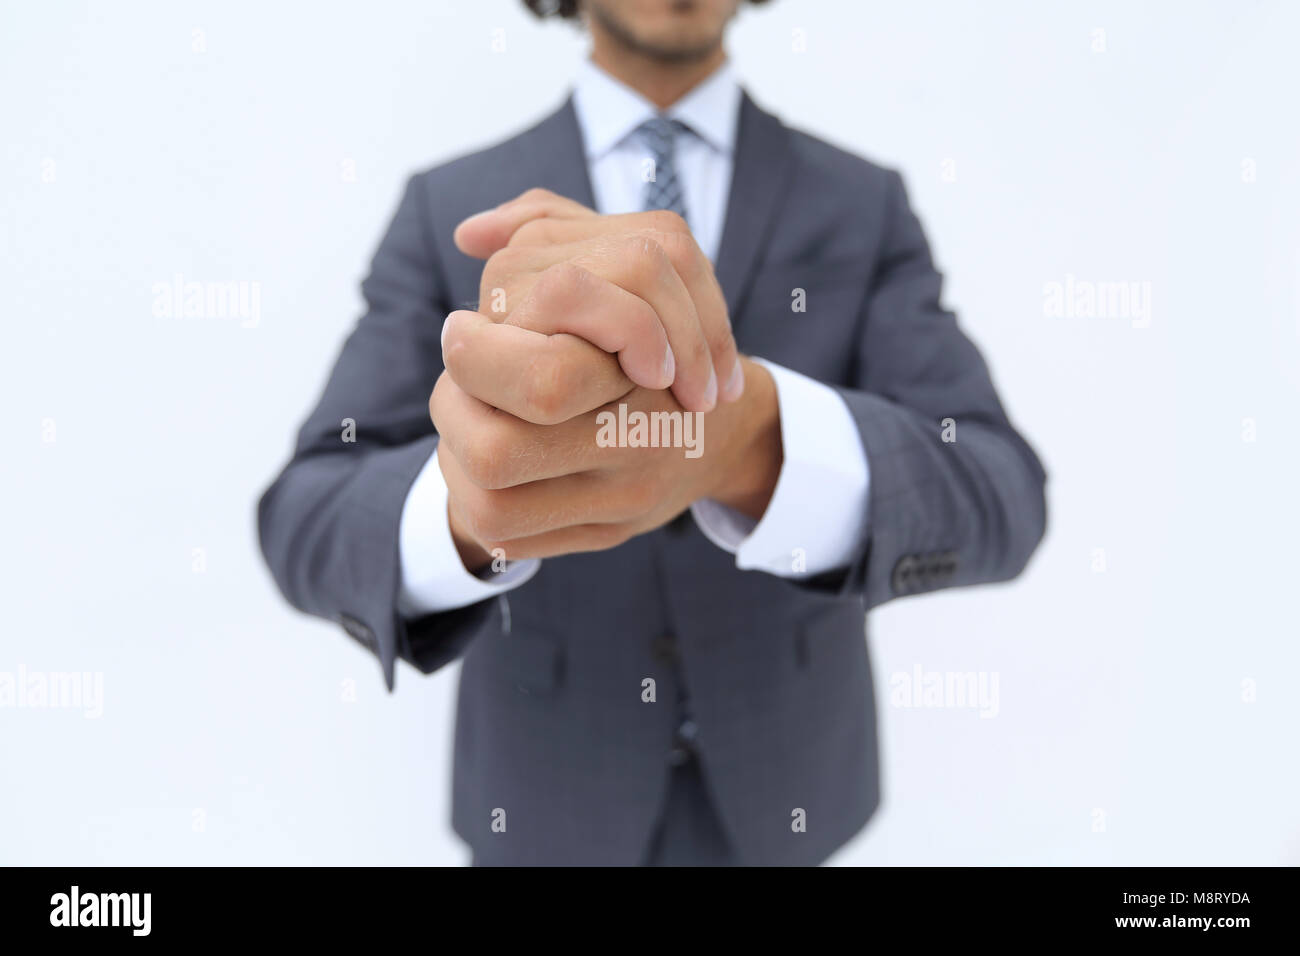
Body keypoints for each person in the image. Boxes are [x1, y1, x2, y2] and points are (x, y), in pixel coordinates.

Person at [258, 0, 1047, 865]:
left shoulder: (862, 202)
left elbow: (997, 489)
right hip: (543, 802)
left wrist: (758, 443)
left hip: (793, 797)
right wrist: (473, 502)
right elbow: (308, 512)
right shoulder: (448, 208)